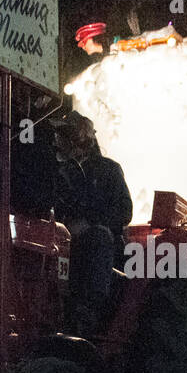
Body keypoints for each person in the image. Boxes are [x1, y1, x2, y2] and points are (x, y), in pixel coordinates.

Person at [51, 111, 132, 335]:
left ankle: (87, 313)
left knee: (98, 238)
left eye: (64, 134)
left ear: (79, 138)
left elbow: (124, 211)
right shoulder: (58, 171)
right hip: (63, 234)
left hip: (101, 241)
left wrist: (89, 224)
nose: (58, 139)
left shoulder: (109, 170)